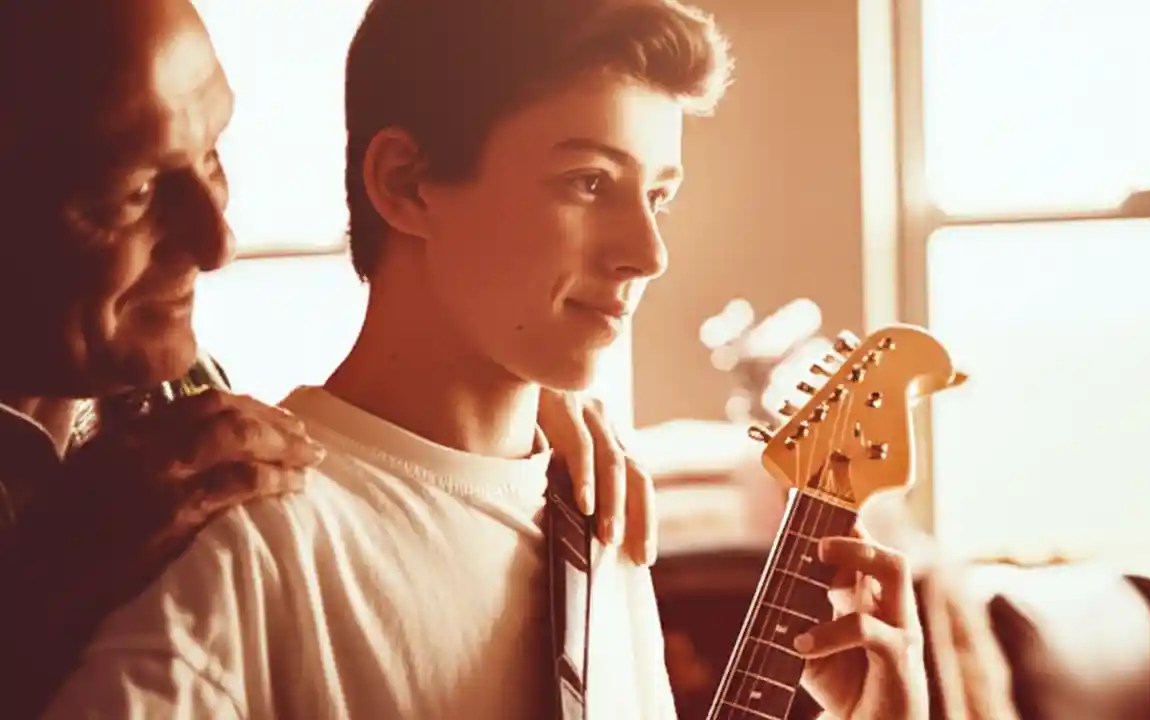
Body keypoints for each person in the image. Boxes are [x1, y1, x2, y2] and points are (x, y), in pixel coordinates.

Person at [38, 0, 929, 718]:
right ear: (406, 184)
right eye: (588, 183)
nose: (649, 252)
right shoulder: (244, 539)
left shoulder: (604, 512)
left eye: (659, 193)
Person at [0, 0, 659, 715]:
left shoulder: (168, 405)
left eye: (212, 154)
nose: (218, 242)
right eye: (129, 194)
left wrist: (515, 399)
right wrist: (30, 607)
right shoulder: (204, 544)